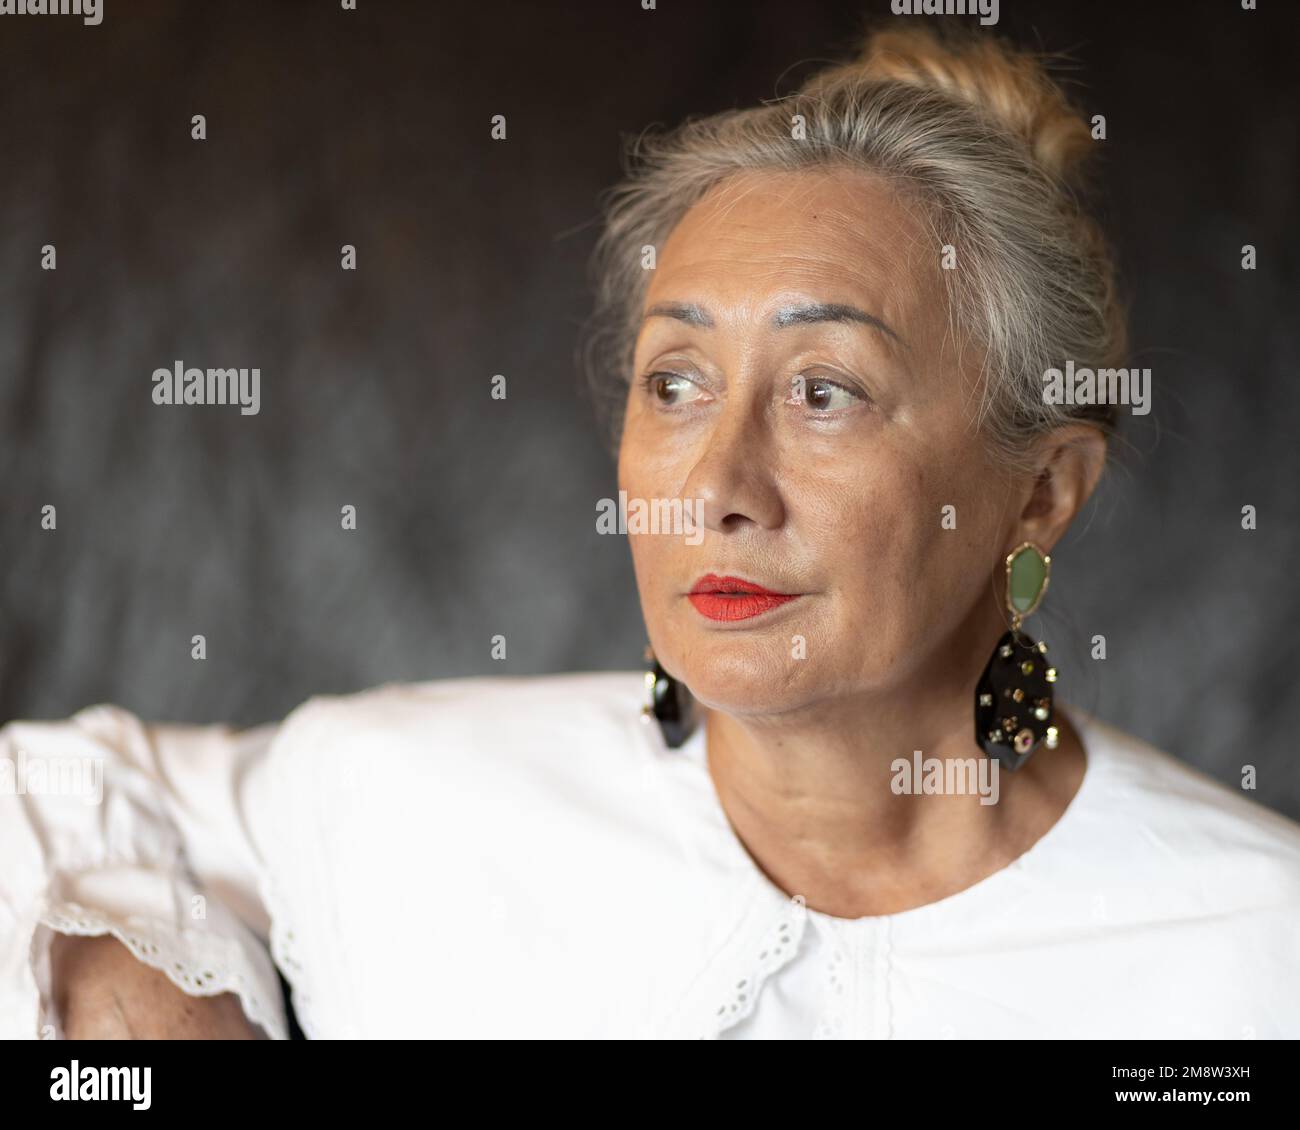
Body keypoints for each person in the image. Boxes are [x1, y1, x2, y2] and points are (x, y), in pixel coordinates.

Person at [4, 24, 1298, 1040]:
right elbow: (48, 803)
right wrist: (139, 989)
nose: (718, 482)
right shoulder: (411, 800)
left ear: (1040, 492)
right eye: (675, 382)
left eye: (825, 389)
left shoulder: (1252, 948)